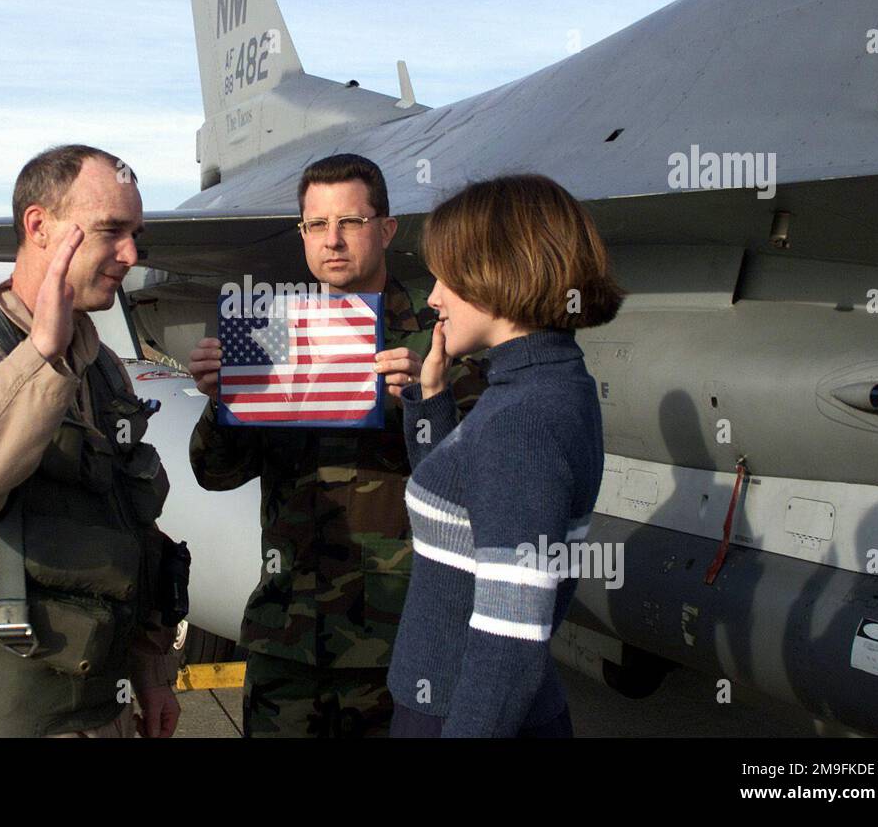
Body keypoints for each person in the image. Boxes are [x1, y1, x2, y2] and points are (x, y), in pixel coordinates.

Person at [187, 153, 487, 737]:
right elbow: (215, 473)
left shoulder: (442, 340)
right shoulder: (271, 334)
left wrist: (425, 403)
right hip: (289, 643)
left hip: (403, 644)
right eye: (316, 225)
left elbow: (488, 478)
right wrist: (222, 401)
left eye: (350, 222)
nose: (333, 240)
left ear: (387, 228)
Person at [0, 144, 182, 738]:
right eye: (110, 232)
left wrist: (154, 673)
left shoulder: (103, 368)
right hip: (10, 712)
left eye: (136, 235)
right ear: (39, 226)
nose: (131, 255)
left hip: (101, 703)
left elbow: (136, 528)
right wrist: (39, 359)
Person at [387, 173, 624, 738]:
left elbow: (509, 640)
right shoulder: (552, 380)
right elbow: (467, 514)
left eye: (447, 276)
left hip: (456, 714)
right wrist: (434, 401)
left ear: (498, 270)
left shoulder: (520, 418)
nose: (434, 296)